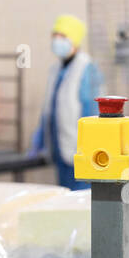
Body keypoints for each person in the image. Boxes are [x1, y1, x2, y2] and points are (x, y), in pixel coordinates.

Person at [29, 14, 105, 190]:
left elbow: (93, 113)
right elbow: (49, 110)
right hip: (60, 152)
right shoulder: (55, 70)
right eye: (54, 36)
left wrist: (91, 151)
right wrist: (39, 141)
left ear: (75, 40)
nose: (57, 41)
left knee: (82, 203)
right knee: (66, 201)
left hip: (81, 156)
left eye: (62, 37)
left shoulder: (87, 68)